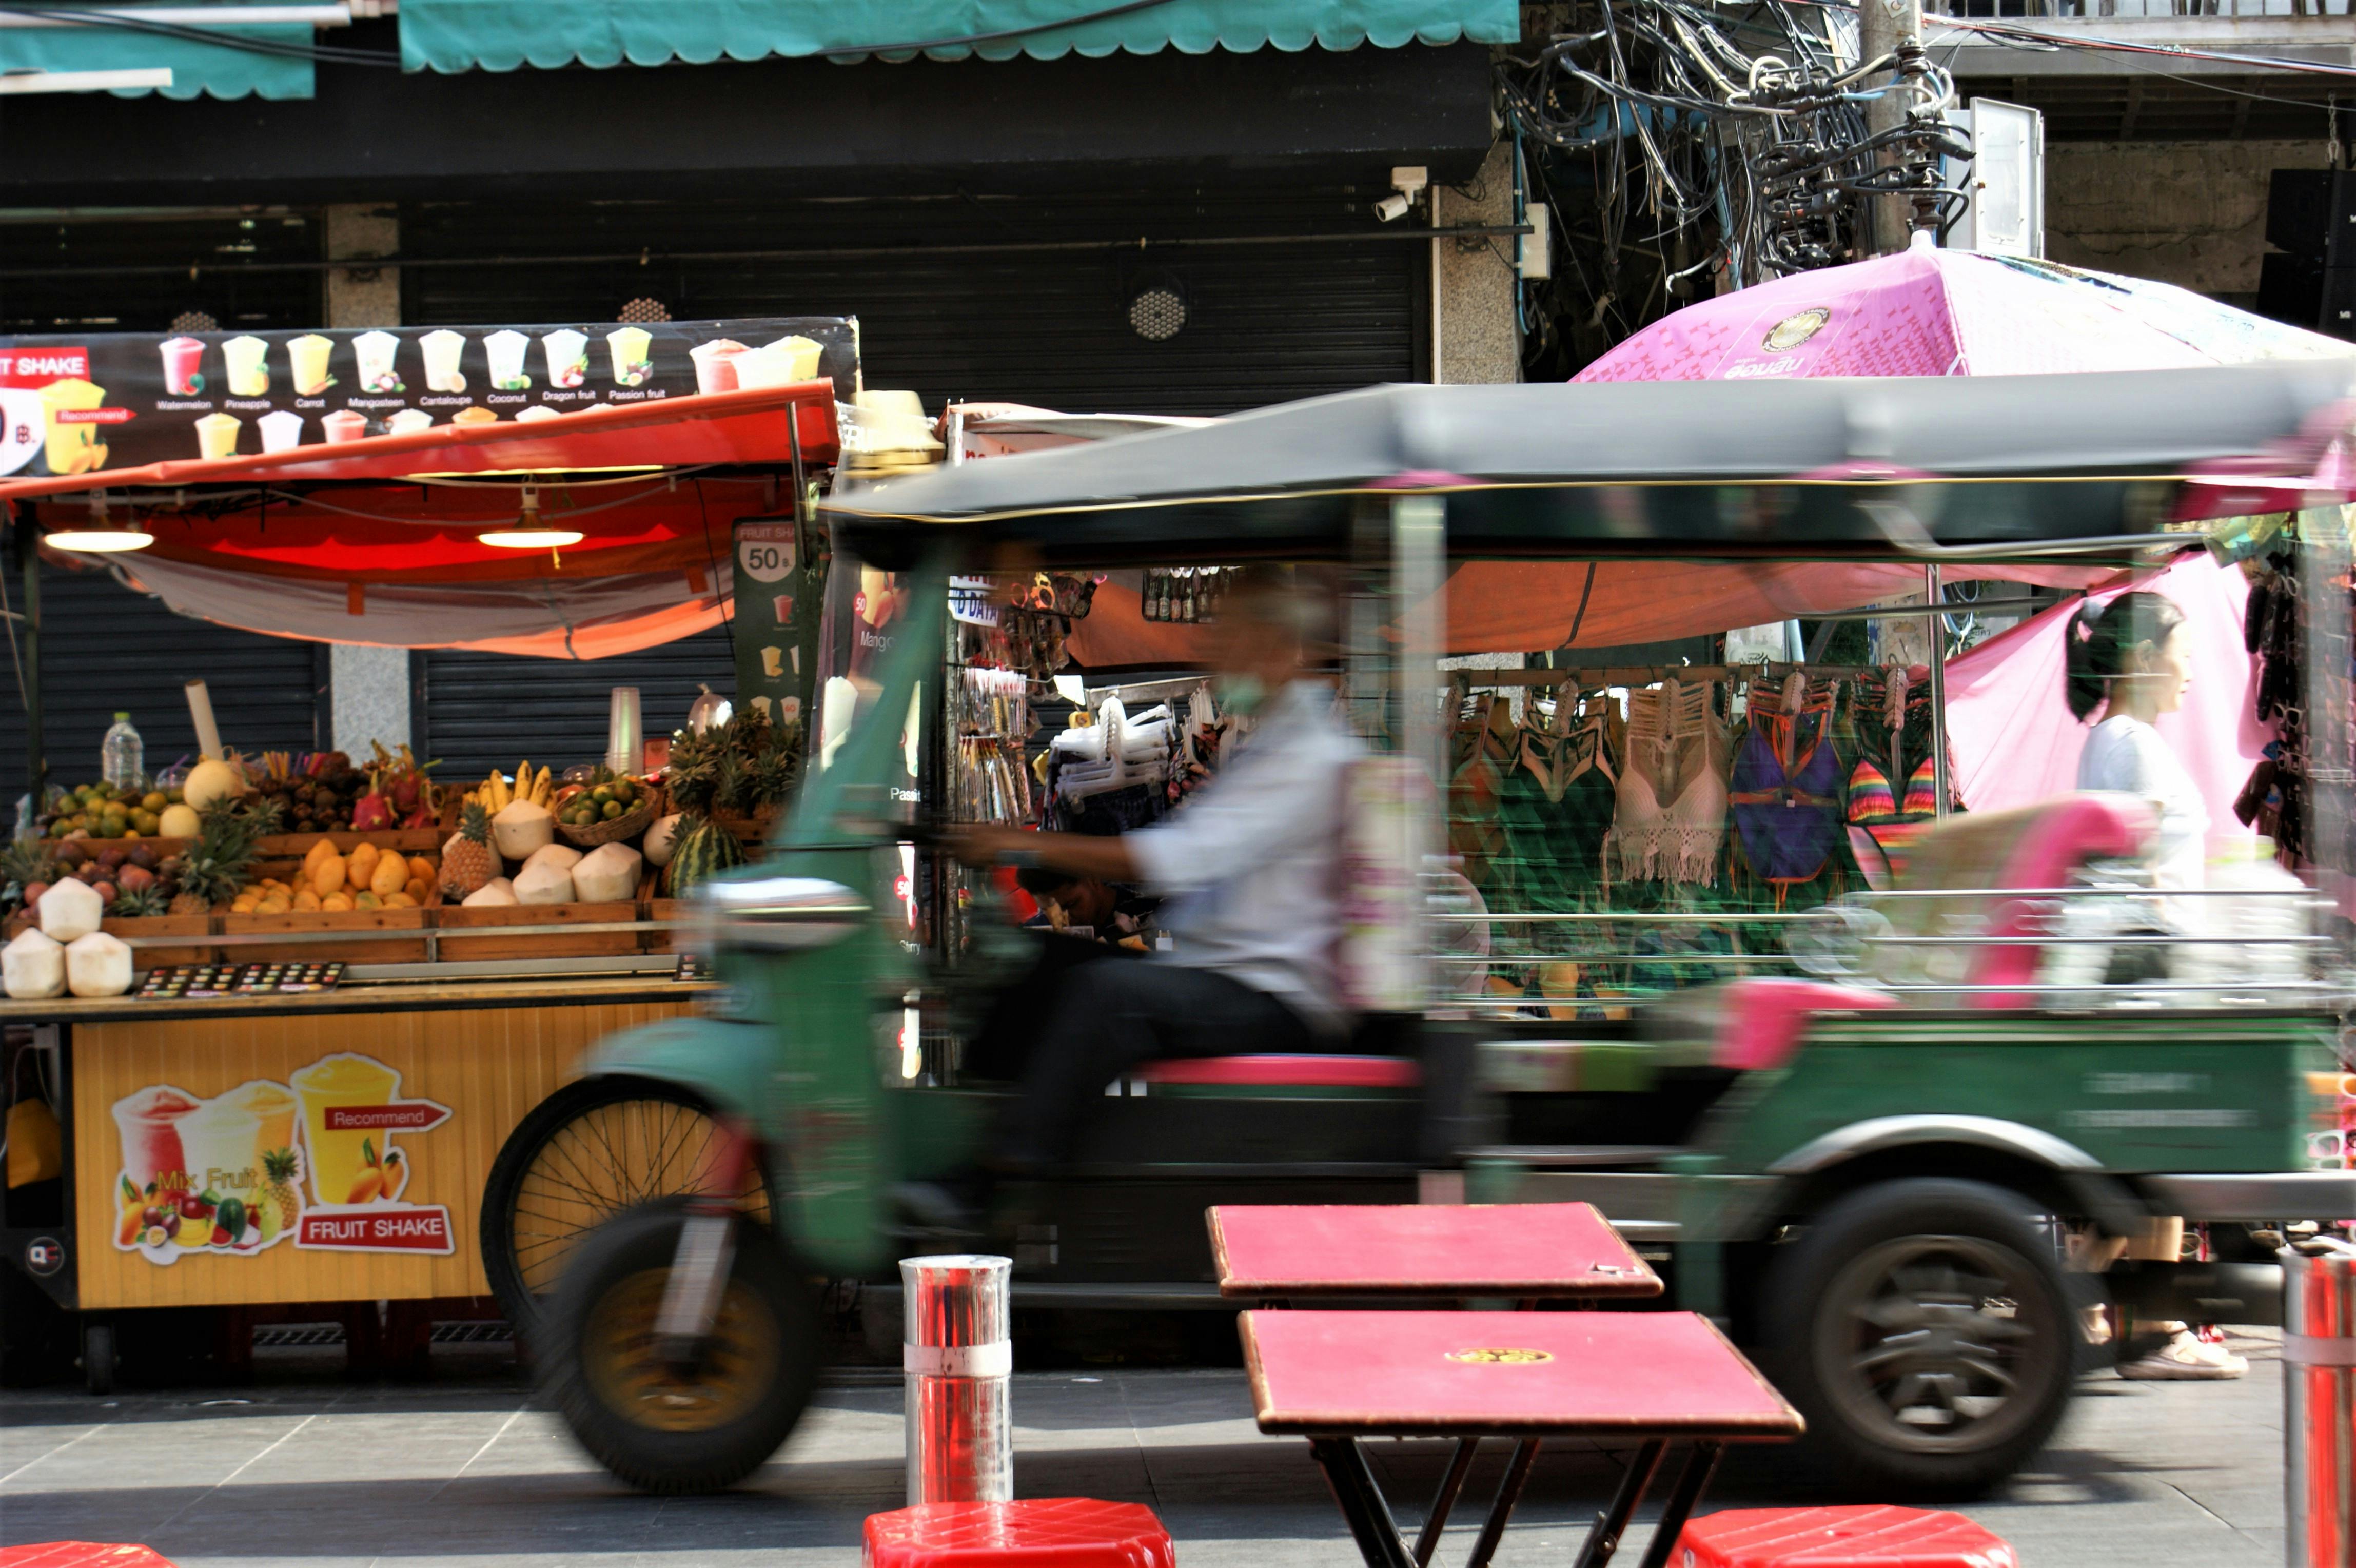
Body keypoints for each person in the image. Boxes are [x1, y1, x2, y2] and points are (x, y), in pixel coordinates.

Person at [948, 566, 1362, 1175]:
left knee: (1105, 997)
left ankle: (999, 1179)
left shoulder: (1310, 756)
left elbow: (1177, 858)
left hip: (1273, 997)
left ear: (1276, 649)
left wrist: (1024, 845)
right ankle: (969, 1129)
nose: (1217, 654)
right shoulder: (1267, 742)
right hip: (1219, 971)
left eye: (1234, 639)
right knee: (1042, 964)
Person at [2066, 590, 2247, 1381]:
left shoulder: (2116, 740)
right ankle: (2117, 1316)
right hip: (2146, 975)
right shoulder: (2130, 744)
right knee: (2154, 1154)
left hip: (2147, 972)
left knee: (2154, 1159)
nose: (2193, 674)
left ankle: (2146, 1323)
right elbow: (2123, 876)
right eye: (2184, 653)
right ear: (2142, 660)